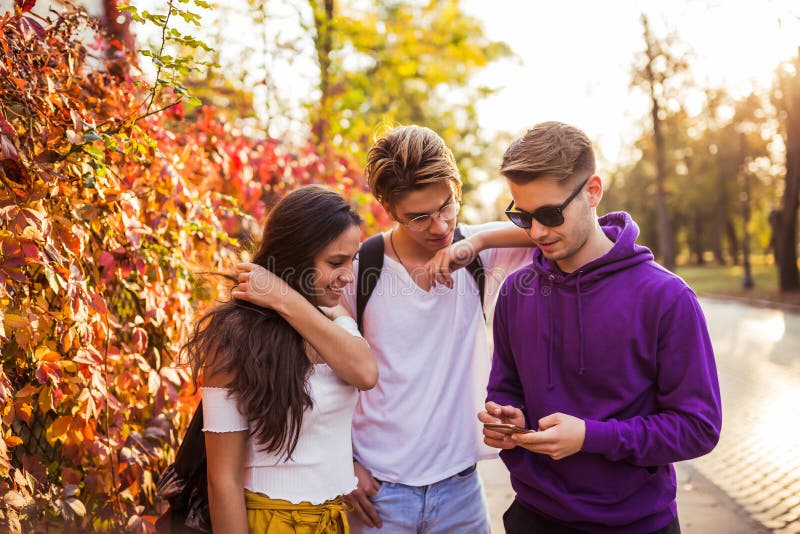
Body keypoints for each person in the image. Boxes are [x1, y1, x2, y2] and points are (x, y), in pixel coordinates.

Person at [479, 121, 722, 533]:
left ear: (593, 191)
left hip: (636, 524)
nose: (536, 232)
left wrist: (592, 436)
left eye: (551, 214)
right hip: (532, 517)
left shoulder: (666, 297)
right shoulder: (516, 293)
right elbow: (506, 389)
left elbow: (698, 428)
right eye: (522, 216)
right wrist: (507, 416)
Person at [340, 125, 533, 534]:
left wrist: (476, 244)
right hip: (378, 491)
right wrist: (343, 463)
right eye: (419, 217)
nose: (440, 226)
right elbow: (320, 375)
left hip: (460, 490)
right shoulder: (361, 269)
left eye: (447, 205)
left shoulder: (479, 251)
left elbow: (577, 231)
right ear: (390, 209)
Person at [183, 185, 378, 534]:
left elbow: (364, 372)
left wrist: (282, 296)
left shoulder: (333, 317)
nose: (349, 276)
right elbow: (222, 480)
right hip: (269, 520)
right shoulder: (235, 338)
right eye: (335, 262)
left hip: (333, 520)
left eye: (352, 259)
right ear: (294, 259)